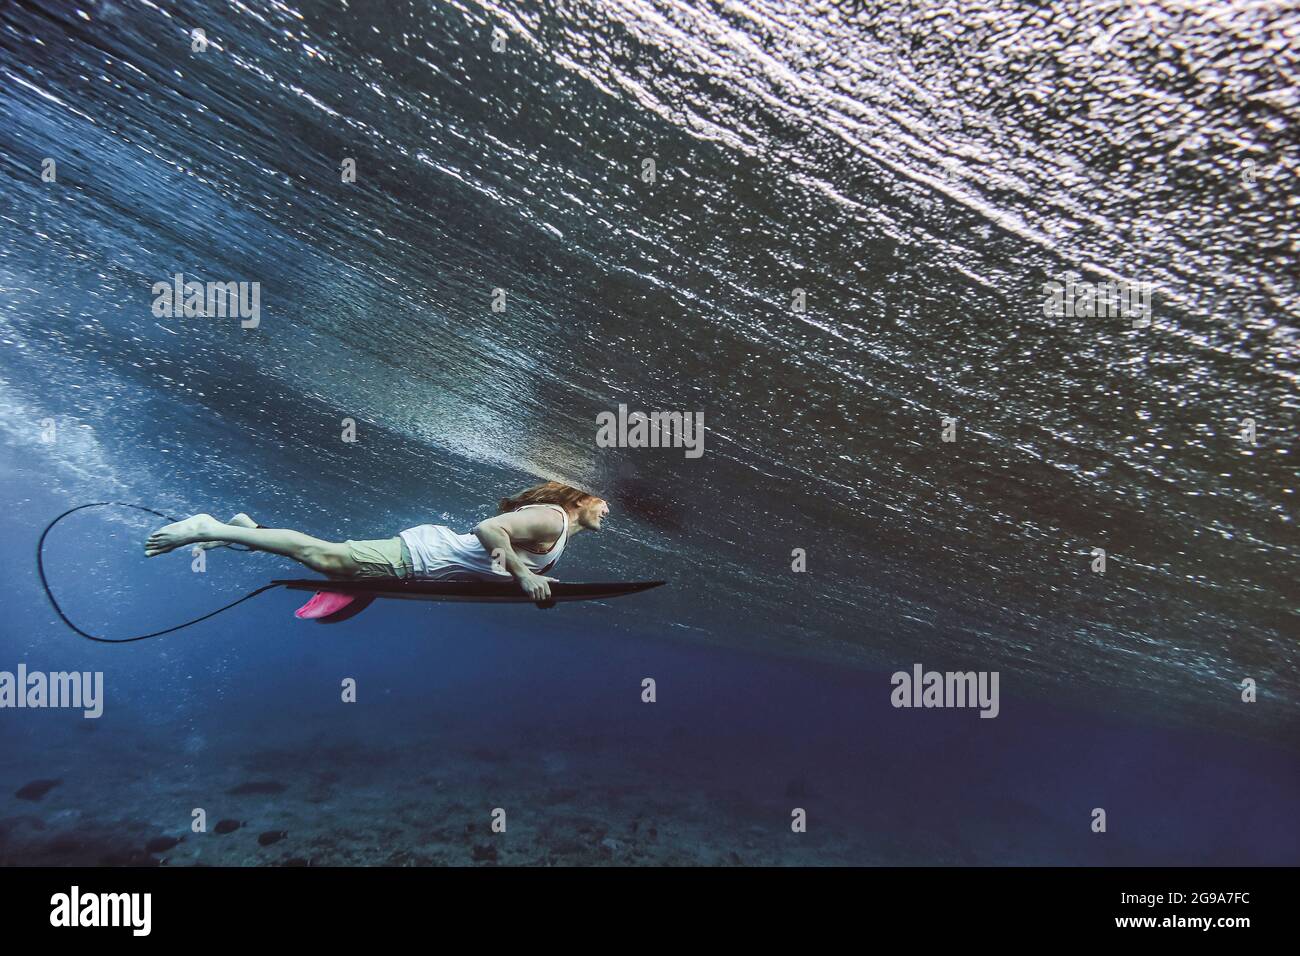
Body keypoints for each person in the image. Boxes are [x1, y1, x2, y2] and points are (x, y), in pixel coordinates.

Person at [144, 481, 608, 602]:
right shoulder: (551, 516)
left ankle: (248, 530)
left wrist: (532, 576)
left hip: (427, 560)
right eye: (600, 500)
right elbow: (490, 530)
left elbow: (502, 556)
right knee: (320, 554)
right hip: (423, 557)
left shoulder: (557, 529)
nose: (607, 508)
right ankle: (208, 527)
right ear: (578, 500)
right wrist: (525, 575)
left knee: (325, 563)